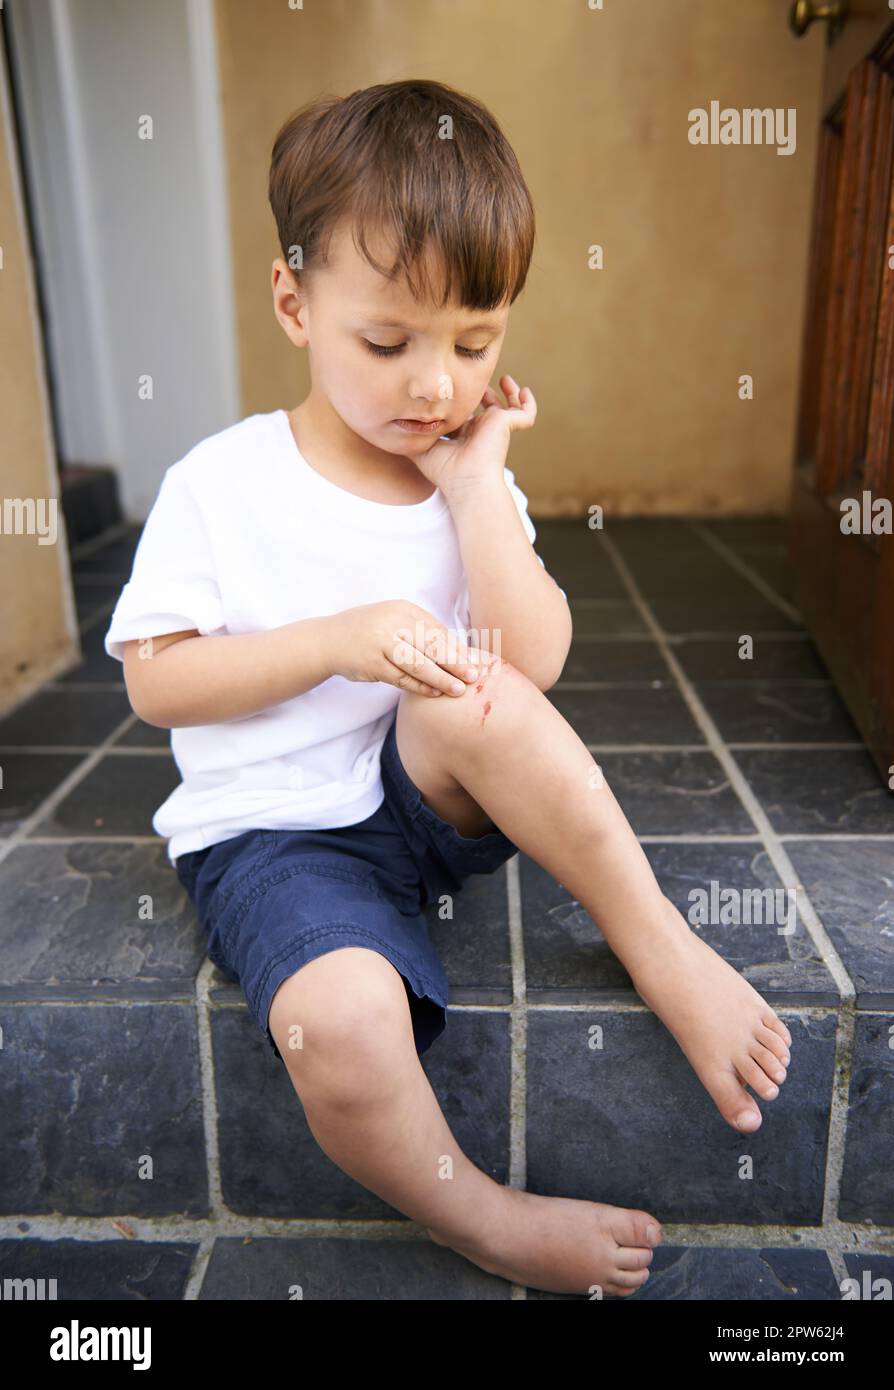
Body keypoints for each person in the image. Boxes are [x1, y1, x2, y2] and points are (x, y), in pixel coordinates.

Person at [104, 78, 792, 1297]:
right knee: (347, 1024)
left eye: (475, 344)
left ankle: (659, 943)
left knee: (475, 692)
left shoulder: (460, 473)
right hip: (275, 840)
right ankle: (482, 1214)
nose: (436, 385)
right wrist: (335, 638)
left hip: (422, 802)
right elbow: (158, 684)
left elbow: (534, 666)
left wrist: (479, 495)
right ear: (294, 303)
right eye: (391, 342)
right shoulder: (223, 483)